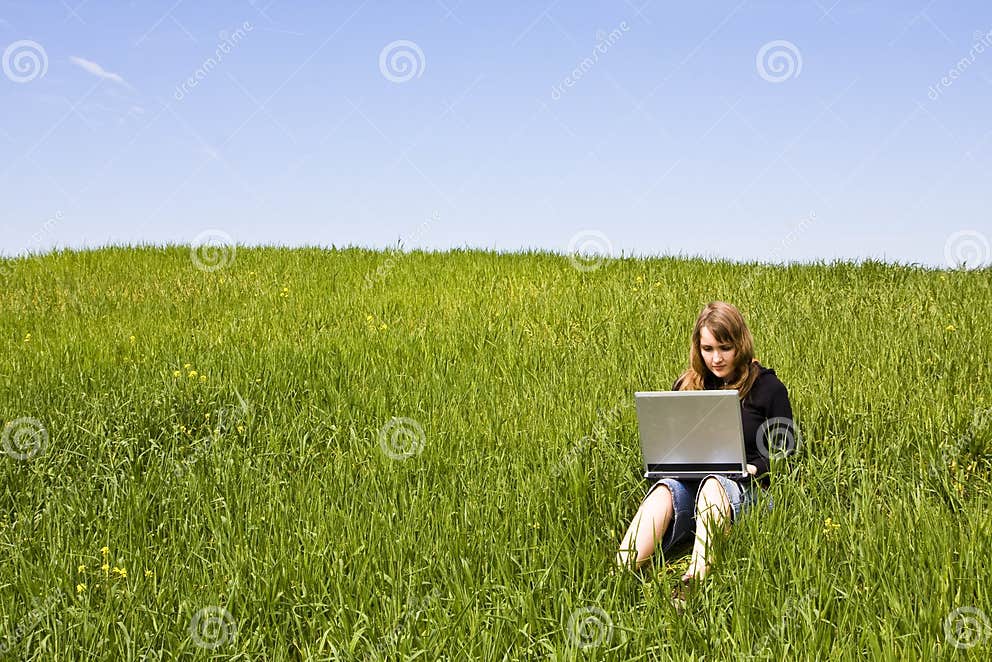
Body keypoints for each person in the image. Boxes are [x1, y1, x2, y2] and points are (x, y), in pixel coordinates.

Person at [615, 301, 795, 607]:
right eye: (707, 348)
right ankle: (619, 577)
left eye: (725, 348)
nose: (716, 358)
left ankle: (692, 584)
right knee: (663, 491)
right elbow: (671, 441)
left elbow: (786, 451)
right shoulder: (687, 385)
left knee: (714, 484)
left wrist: (754, 467)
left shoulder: (768, 388)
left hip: (744, 488)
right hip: (690, 484)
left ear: (741, 343)